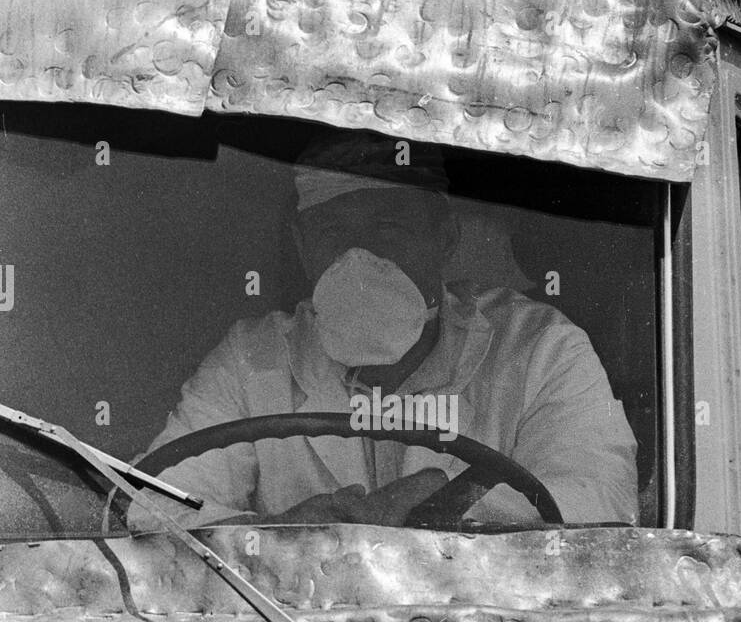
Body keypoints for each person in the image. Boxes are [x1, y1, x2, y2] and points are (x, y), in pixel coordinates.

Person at [128, 129, 638, 532]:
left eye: (388, 229)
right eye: (332, 232)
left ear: (445, 238)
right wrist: (282, 532)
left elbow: (597, 503)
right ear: (303, 246)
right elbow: (155, 508)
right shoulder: (251, 358)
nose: (359, 258)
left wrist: (444, 510)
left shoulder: (538, 347)